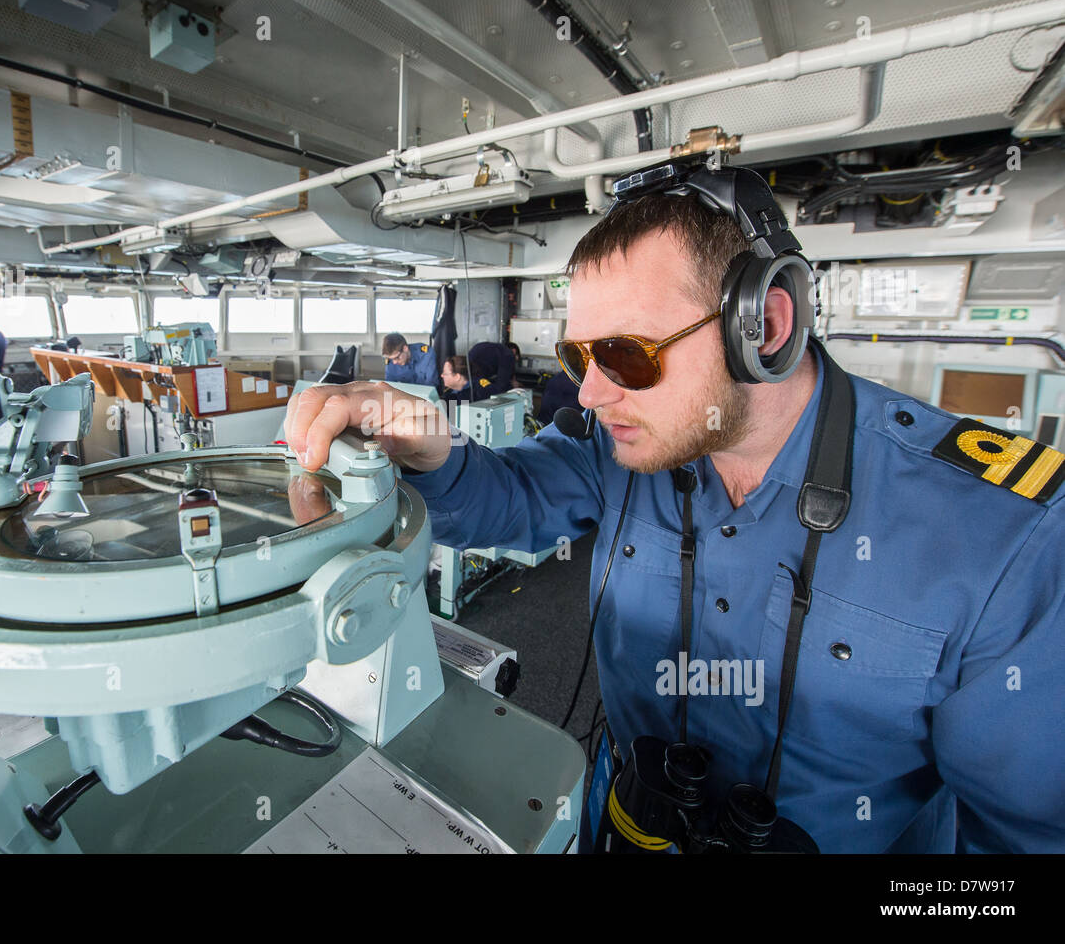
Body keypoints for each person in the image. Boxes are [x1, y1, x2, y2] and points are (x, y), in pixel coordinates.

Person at [284, 168, 1065, 853]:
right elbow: (509, 497)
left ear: (764, 327)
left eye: (625, 355)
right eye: (577, 358)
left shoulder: (1004, 538)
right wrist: (426, 442)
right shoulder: (618, 446)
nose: (589, 392)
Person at [441, 341, 516, 402]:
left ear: (457, 376)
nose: (442, 375)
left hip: (500, 358)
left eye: (445, 373)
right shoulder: (450, 391)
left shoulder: (480, 391)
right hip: (480, 360)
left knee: (499, 389)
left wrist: (510, 385)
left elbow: (499, 391)